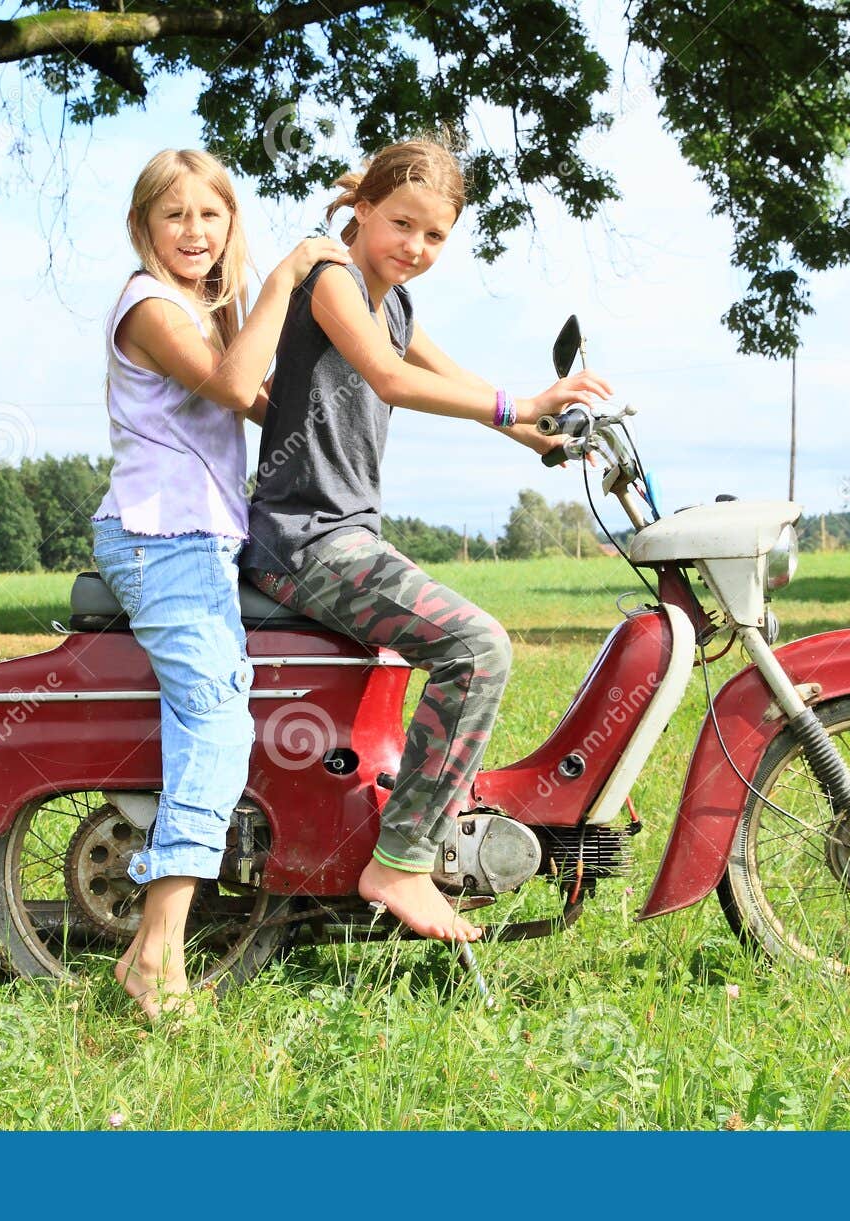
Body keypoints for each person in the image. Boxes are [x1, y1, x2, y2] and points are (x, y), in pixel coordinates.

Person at [241, 139, 612, 944]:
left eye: (436, 236)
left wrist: (546, 435)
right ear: (364, 207)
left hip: (344, 535)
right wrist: (522, 405)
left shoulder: (397, 302)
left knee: (468, 643)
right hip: (303, 540)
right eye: (402, 224)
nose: (415, 246)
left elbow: (469, 384)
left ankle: (422, 838)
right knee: (477, 648)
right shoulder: (333, 280)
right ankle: (401, 859)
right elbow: (393, 379)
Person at [90, 148, 349, 1020]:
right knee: (214, 716)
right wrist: (288, 270)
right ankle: (154, 953)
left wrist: (336, 232)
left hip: (202, 538)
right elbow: (242, 385)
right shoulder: (151, 308)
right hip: (160, 538)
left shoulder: (206, 308)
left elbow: (267, 376)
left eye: (212, 215)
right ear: (143, 228)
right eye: (175, 216)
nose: (194, 232)